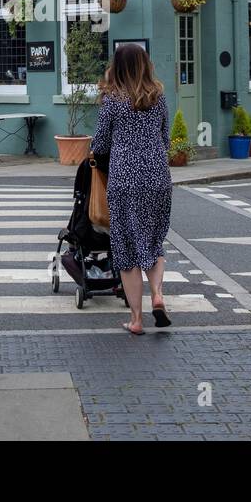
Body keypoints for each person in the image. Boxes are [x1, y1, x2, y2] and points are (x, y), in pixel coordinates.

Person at [89, 42, 174, 336]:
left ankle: (137, 319)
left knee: (126, 248)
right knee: (153, 241)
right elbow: (165, 137)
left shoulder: (112, 100)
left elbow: (99, 143)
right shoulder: (158, 96)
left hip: (125, 178)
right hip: (158, 176)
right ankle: (159, 295)